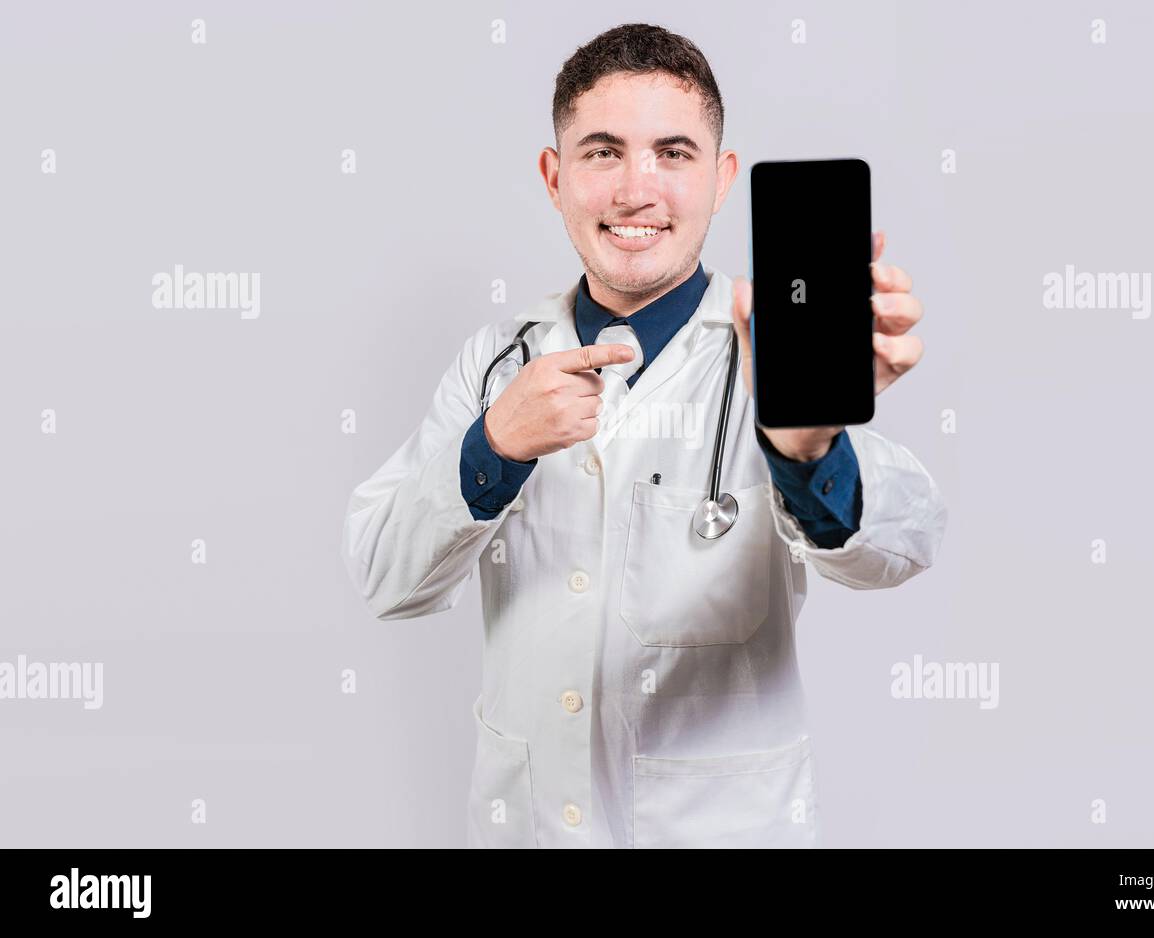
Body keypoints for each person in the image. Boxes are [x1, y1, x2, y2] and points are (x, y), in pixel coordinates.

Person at [341, 23, 947, 848]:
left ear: (721, 177)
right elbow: (385, 576)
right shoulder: (496, 364)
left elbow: (905, 545)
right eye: (601, 152)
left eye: (673, 152)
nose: (637, 190)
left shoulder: (771, 351)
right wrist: (494, 447)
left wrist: (808, 451)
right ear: (554, 178)